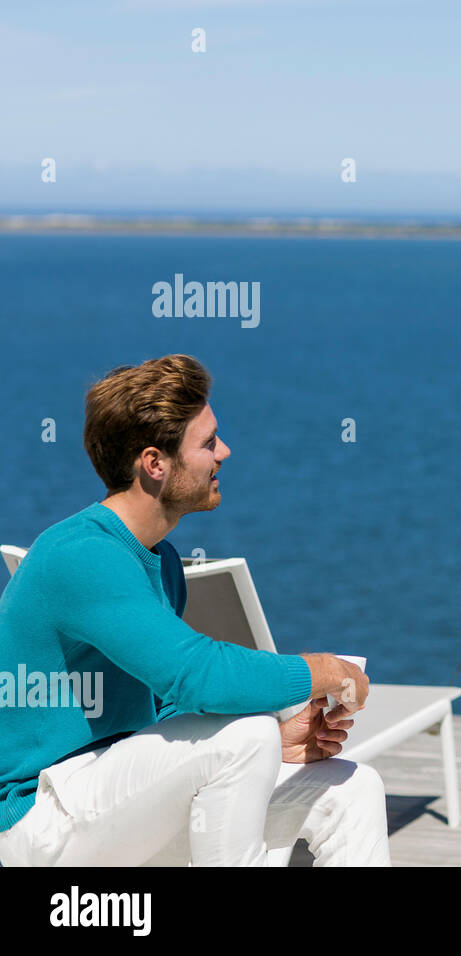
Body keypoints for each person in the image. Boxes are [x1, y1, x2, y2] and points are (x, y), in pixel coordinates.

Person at [0, 354, 390, 866]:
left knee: (351, 788)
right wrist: (322, 670)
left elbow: (162, 709)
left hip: (114, 797)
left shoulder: (159, 560)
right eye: (208, 442)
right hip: (38, 820)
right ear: (155, 463)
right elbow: (198, 677)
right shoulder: (83, 555)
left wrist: (277, 744)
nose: (224, 452)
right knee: (244, 732)